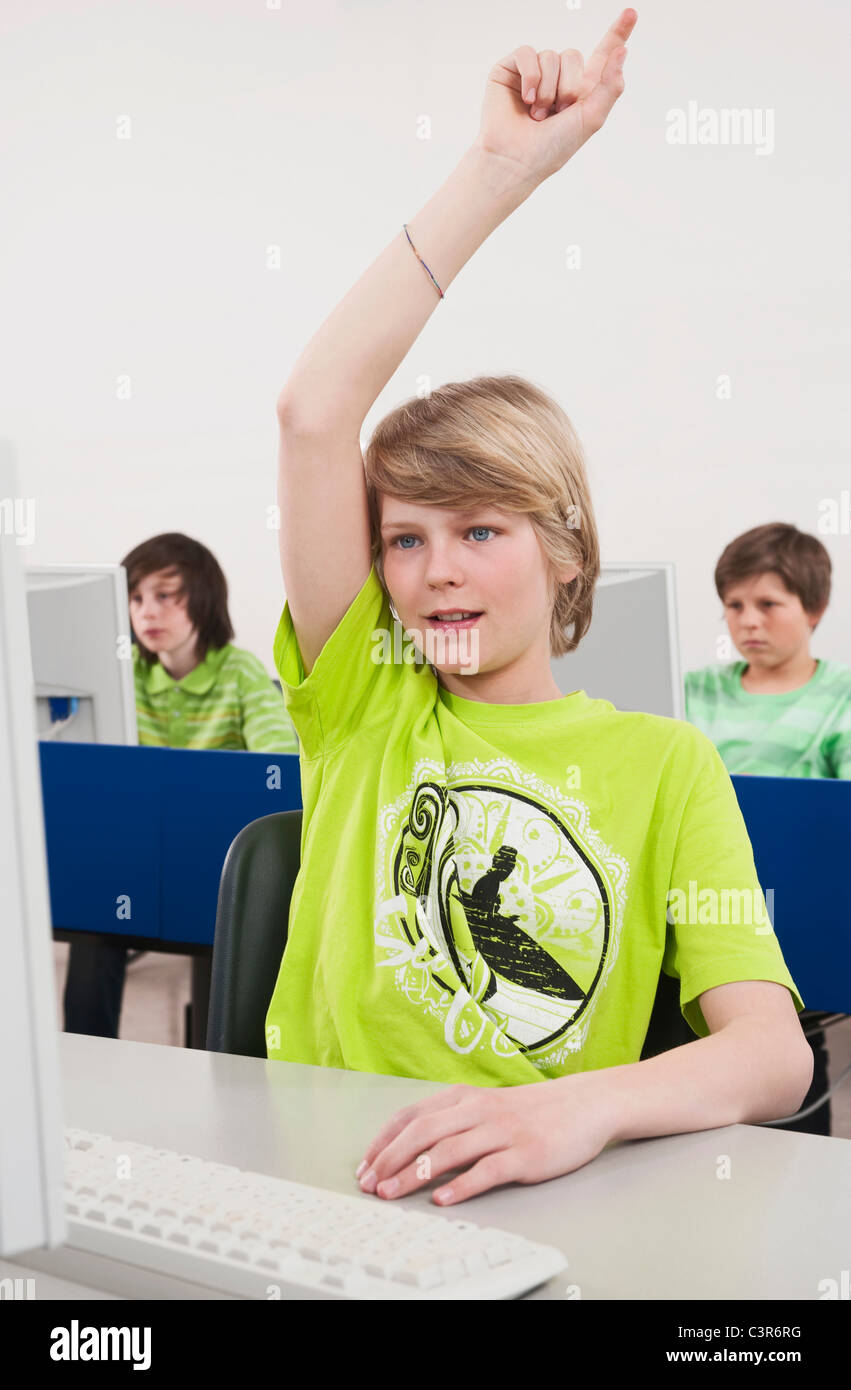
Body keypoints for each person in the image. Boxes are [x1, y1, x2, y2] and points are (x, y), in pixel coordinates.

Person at [266, 9, 813, 1209]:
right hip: (325, 1183)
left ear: (564, 554)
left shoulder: (664, 766)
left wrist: (575, 1107)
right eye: (402, 540)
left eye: (478, 531)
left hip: (537, 1196)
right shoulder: (366, 699)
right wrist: (501, 170)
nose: (435, 572)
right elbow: (315, 413)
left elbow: (774, 1055)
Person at [63, 532, 298, 1039]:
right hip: (135, 851)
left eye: (166, 596)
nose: (148, 612)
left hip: (213, 854)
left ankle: (214, 1061)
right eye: (136, 597)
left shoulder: (240, 674)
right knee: (93, 910)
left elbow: (279, 759)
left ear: (203, 597)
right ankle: (84, 1054)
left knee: (215, 924)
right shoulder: (122, 675)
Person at [685, 522, 851, 1136]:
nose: (747, 622)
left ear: (814, 610)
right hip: (699, 898)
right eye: (734, 606)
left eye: (767, 605)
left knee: (791, 1044)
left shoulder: (841, 697)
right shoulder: (695, 691)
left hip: (798, 905)